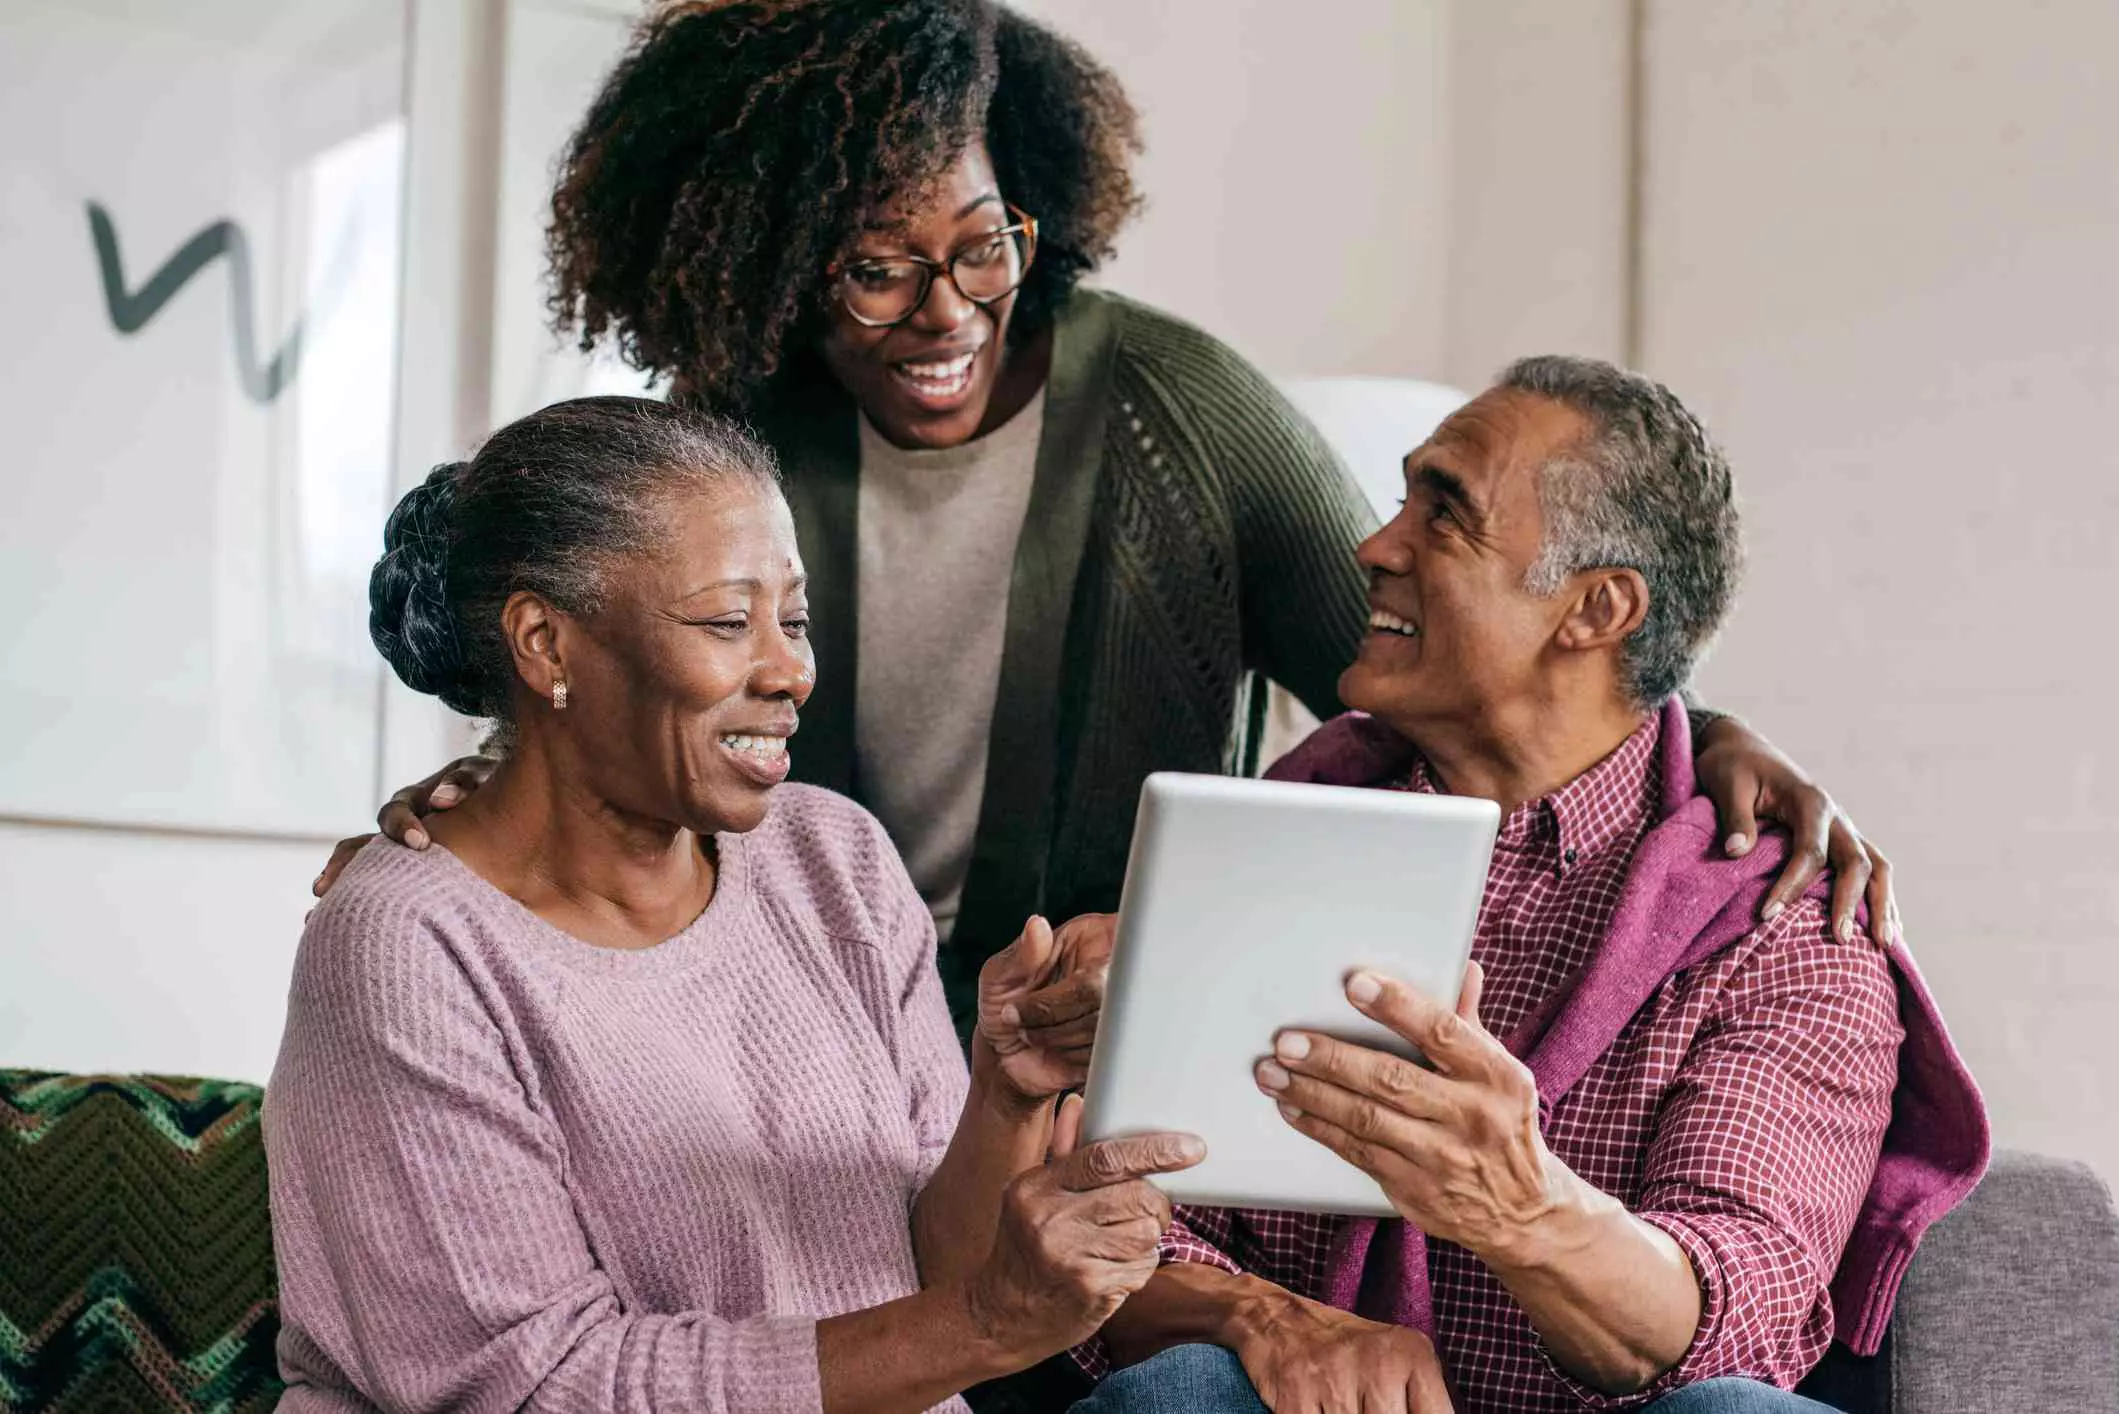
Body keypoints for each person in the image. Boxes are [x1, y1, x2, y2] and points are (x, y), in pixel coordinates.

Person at [314, 0, 1897, 1036]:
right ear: (779, 263)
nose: (948, 312)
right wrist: (491, 794)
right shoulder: (727, 449)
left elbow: (1447, 664)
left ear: (1039, 212)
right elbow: (609, 689)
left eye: (984, 245)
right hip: (790, 1047)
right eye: (875, 266)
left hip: (1091, 1055)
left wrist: (1700, 728)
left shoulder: (1182, 413)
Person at [1063, 359, 1988, 1413]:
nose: (1374, 547)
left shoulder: (1783, 924)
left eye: (1444, 512)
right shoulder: (1276, 836)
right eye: (1401, 497)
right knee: (1179, 1391)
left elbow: (1744, 1307)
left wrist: (1518, 1207)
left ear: (1595, 609)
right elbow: (1119, 1221)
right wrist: (1258, 1317)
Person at [265, 396, 1208, 1413]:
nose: (790, 669)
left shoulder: (830, 857)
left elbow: (931, 1280)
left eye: (792, 619)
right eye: (726, 621)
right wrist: (983, 1323)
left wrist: (1005, 1098)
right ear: (544, 645)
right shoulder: (408, 945)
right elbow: (538, 1388)